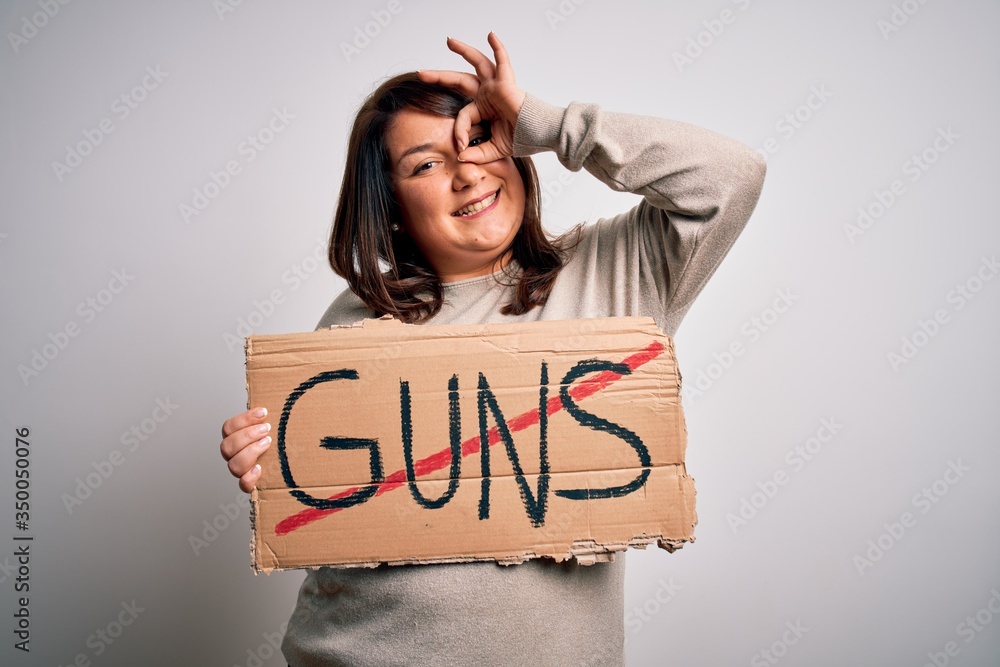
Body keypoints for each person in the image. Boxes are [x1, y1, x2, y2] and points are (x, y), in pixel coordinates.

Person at [220, 32, 766, 667]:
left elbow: (732, 177)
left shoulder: (618, 269)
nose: (467, 172)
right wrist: (265, 455)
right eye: (425, 165)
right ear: (390, 205)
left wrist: (545, 122)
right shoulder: (356, 321)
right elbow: (323, 491)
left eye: (477, 139)